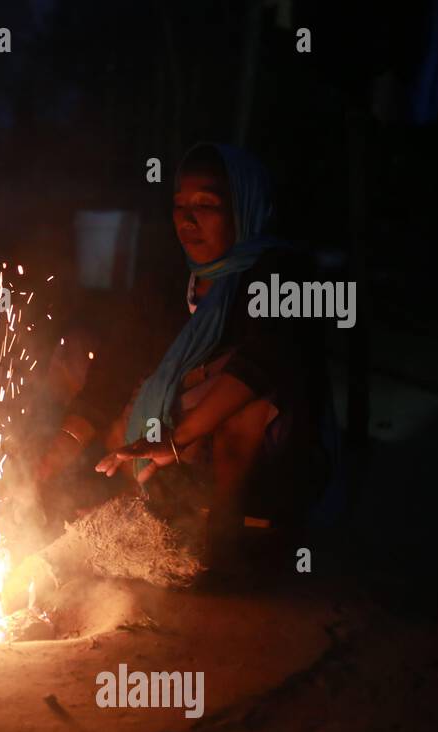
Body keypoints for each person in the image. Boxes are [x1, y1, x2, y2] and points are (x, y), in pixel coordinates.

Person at [83, 142, 338, 564]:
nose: (187, 218)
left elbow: (261, 364)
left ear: (243, 207)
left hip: (268, 462)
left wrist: (175, 439)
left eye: (207, 204)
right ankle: (136, 509)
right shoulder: (175, 277)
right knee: (102, 371)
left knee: (241, 397)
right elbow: (122, 353)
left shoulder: (283, 271)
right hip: (182, 447)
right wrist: (63, 446)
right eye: (180, 204)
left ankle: (223, 535)